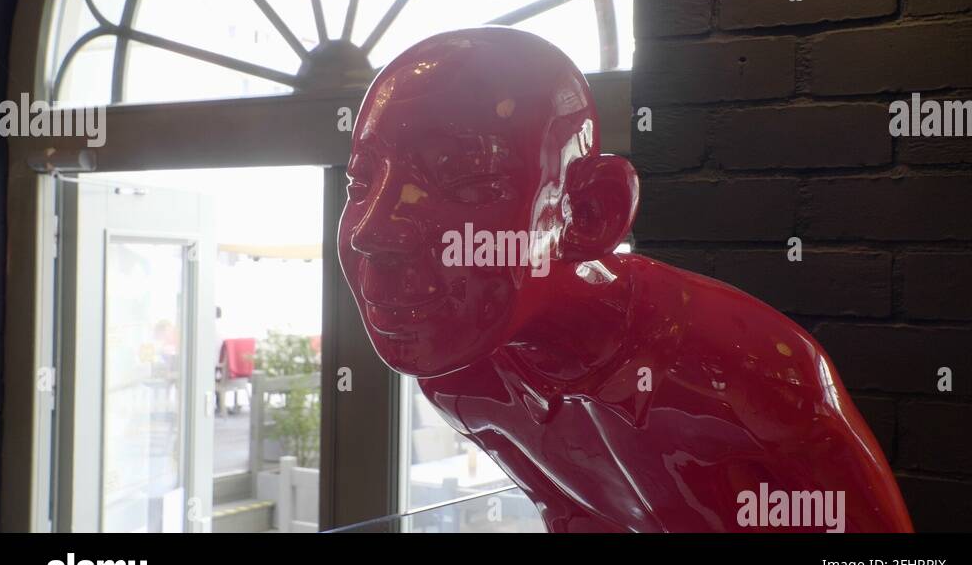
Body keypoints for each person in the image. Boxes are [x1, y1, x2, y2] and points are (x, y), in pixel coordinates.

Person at [338, 28, 912, 532]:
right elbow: (570, 516)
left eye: (468, 182)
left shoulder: (744, 369)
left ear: (590, 214)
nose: (371, 231)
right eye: (360, 183)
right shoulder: (464, 373)